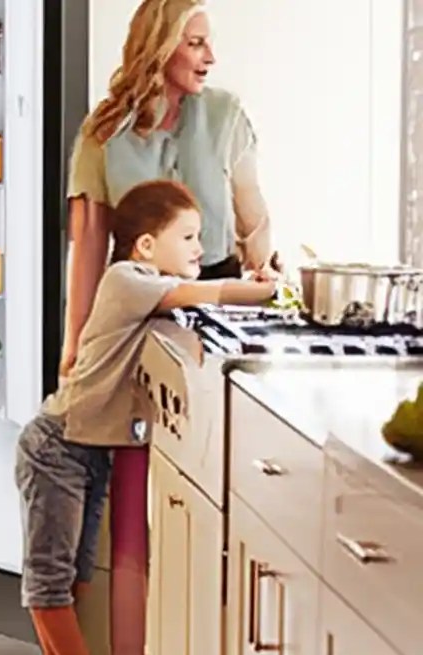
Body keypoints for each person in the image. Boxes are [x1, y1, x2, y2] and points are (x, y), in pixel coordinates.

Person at [16, 180, 274, 655]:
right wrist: (270, 286)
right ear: (146, 247)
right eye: (188, 236)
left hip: (88, 449)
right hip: (57, 445)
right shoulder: (127, 278)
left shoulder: (145, 282)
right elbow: (208, 293)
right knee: (50, 573)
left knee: (78, 569)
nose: (199, 248)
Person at [61, 0, 275, 375]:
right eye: (195, 43)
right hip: (135, 310)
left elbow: (252, 217)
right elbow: (89, 247)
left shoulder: (226, 115)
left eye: (208, 43)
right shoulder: (104, 133)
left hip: (217, 305)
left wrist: (265, 277)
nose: (210, 57)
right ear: (159, 47)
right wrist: (75, 345)